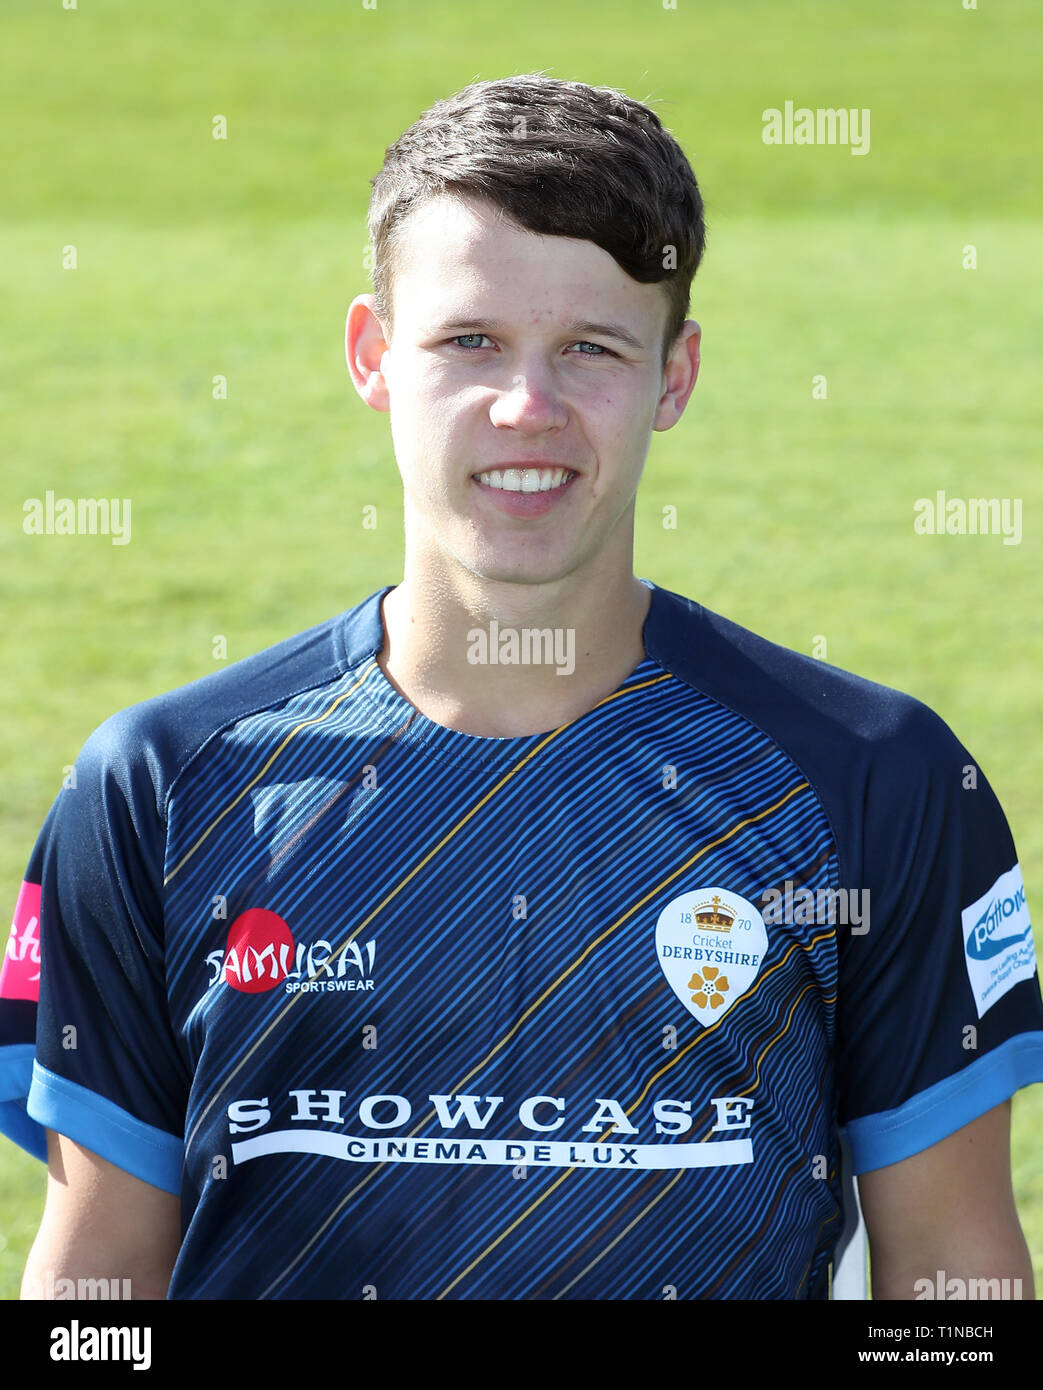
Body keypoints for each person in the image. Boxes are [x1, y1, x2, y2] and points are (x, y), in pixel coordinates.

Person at [2, 72, 1041, 1301]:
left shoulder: (876, 777)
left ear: (674, 374)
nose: (526, 409)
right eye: (468, 342)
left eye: (590, 349)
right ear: (372, 356)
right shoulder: (158, 787)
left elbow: (954, 1287)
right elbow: (91, 1299)